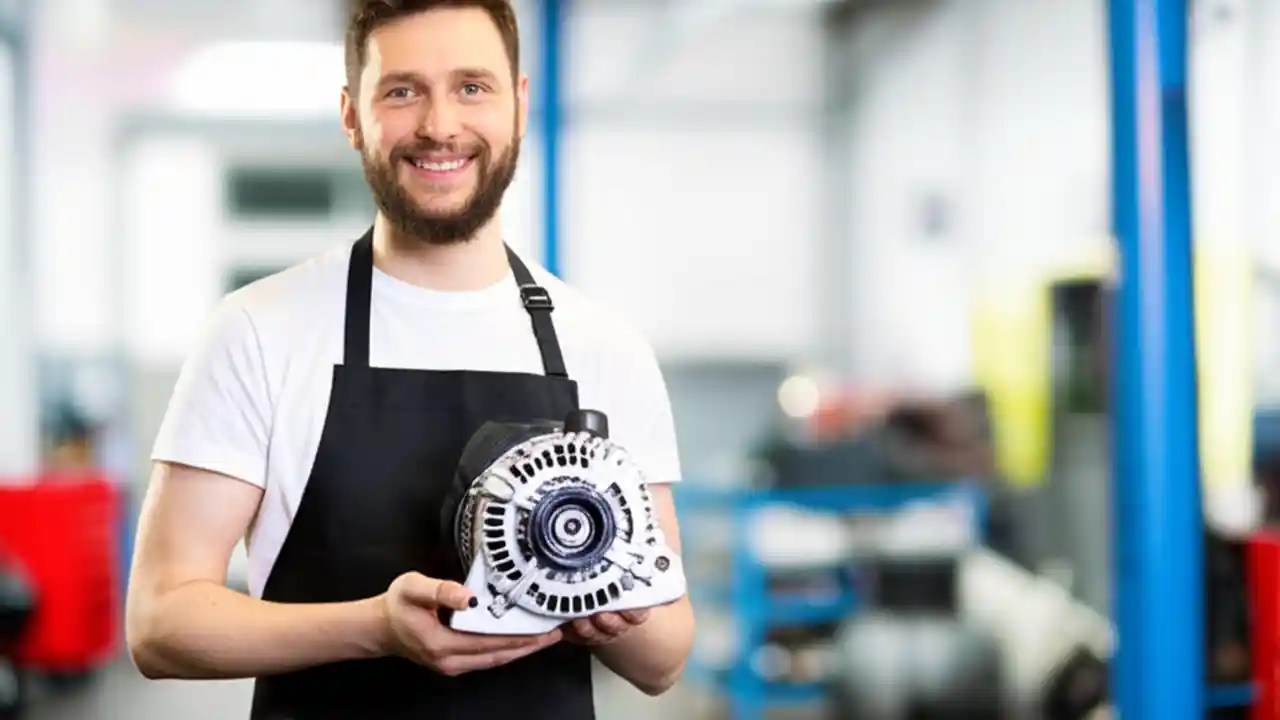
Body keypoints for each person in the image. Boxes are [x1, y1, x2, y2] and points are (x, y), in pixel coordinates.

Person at [123, 1, 696, 718]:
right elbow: (159, 623)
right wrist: (373, 629)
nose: (439, 125)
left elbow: (666, 655)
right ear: (351, 115)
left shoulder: (605, 347)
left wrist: (592, 591)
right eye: (402, 91)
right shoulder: (258, 330)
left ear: (518, 106)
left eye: (472, 87)